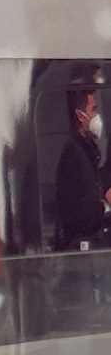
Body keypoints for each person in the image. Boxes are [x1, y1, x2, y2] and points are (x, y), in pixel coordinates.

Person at [55, 74, 110, 255]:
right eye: (93, 110)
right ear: (80, 116)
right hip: (83, 247)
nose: (96, 117)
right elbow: (81, 209)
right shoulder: (73, 154)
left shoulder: (85, 151)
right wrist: (105, 206)